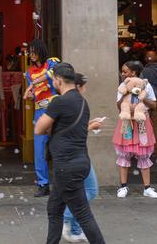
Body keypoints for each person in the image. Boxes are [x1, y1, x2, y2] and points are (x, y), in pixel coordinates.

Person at [34, 62, 105, 244]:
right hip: (78, 161)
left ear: (58, 80)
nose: (53, 83)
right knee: (54, 209)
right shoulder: (82, 102)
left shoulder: (59, 102)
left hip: (66, 165)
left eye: (53, 80)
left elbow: (39, 129)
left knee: (83, 214)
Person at [62, 72, 104, 243]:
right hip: (75, 156)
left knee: (82, 192)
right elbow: (68, 131)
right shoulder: (74, 103)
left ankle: (75, 230)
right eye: (83, 86)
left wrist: (90, 124)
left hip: (75, 155)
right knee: (91, 190)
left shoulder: (71, 103)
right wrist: (91, 126)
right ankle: (66, 217)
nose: (85, 89)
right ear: (77, 86)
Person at [113, 60, 157, 199]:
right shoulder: (123, 85)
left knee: (144, 153)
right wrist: (125, 94)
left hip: (141, 122)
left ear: (133, 72)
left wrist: (141, 96)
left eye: (125, 71)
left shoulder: (146, 85)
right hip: (127, 122)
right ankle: (123, 186)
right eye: (122, 71)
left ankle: (147, 188)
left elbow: (154, 105)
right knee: (124, 154)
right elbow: (118, 106)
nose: (122, 74)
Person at [24, 40, 56, 197]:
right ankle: (43, 184)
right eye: (29, 52)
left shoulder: (52, 62)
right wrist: (30, 95)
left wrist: (33, 84)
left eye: (33, 51)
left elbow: (53, 73)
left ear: (40, 51)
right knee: (39, 149)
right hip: (39, 110)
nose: (30, 55)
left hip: (55, 109)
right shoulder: (29, 72)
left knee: (61, 146)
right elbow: (33, 94)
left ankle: (66, 181)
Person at [140, 51, 157, 134]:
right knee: (155, 122)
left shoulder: (143, 71)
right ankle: (154, 141)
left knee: (144, 121)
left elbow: (140, 86)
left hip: (145, 99)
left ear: (146, 59)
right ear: (156, 58)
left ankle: (146, 140)